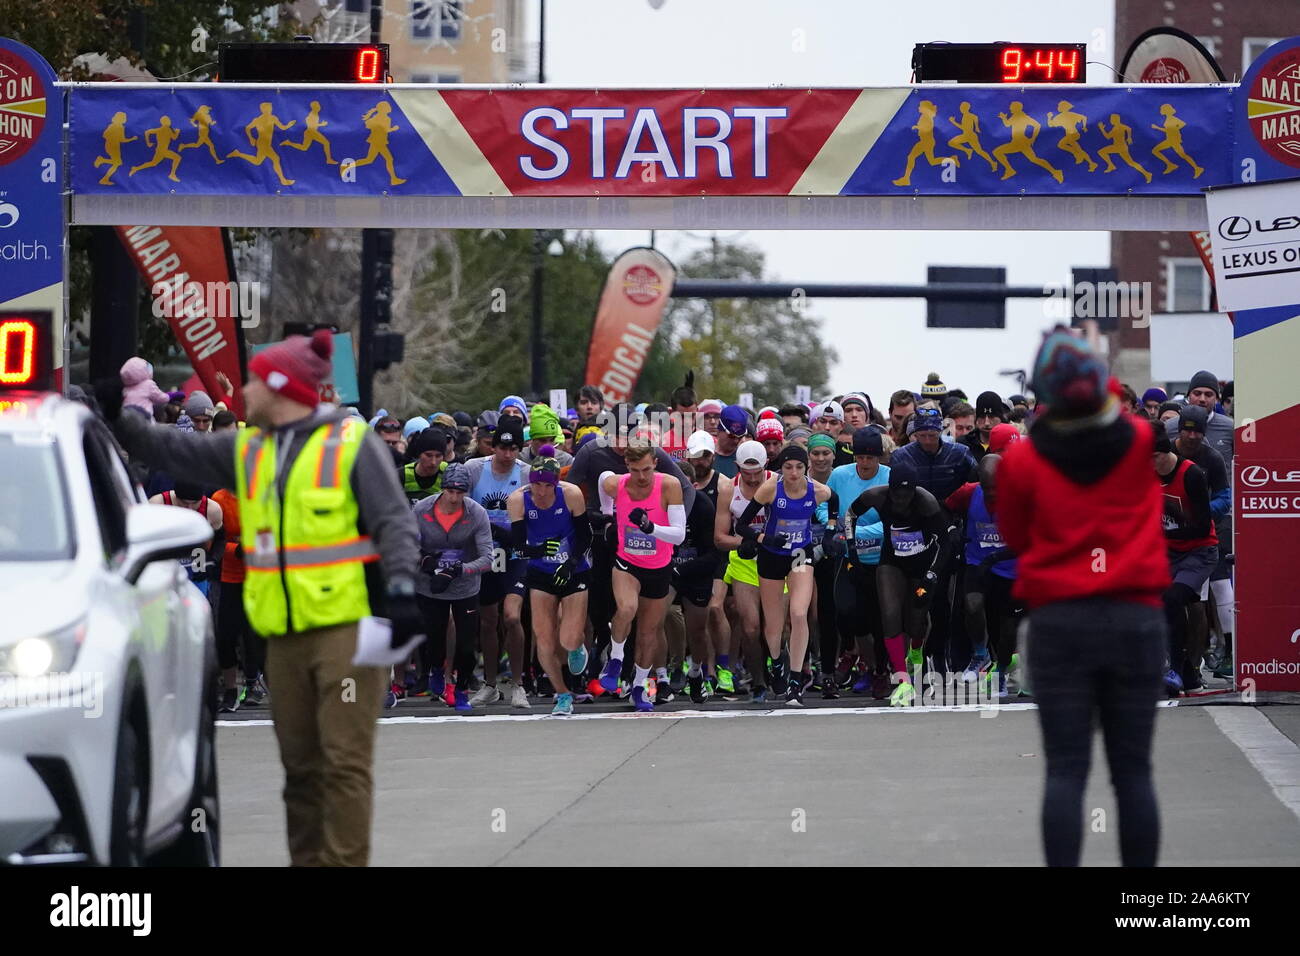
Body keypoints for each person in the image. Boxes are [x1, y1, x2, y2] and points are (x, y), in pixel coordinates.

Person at [98, 330, 424, 867]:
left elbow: (394, 522)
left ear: (281, 387)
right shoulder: (249, 449)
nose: (243, 391)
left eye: (253, 381)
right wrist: (123, 414)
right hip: (281, 640)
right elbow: (170, 448)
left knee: (343, 765)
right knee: (300, 771)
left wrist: (403, 589)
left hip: (344, 632)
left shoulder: (351, 443)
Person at [998, 326, 1169, 867]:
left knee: (1066, 769)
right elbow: (1111, 401)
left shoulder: (1023, 460)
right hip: (1135, 617)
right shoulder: (1137, 440)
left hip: (1060, 620)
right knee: (1133, 771)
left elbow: (1016, 536)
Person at [734, 444, 837, 705]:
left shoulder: (817, 490)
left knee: (799, 613)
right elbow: (742, 525)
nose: (793, 473)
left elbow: (834, 501)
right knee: (774, 626)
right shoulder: (771, 488)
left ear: (806, 468)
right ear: (781, 469)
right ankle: (777, 660)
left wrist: (830, 531)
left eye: (799, 468)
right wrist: (764, 538)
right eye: (788, 467)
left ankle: (795, 680)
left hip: (800, 553)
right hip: (772, 555)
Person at [843, 461, 951, 706]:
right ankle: (903, 680)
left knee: (916, 621)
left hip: (921, 565)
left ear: (914, 491)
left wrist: (932, 575)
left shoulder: (926, 502)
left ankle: (917, 653)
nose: (901, 500)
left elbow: (944, 544)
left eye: (906, 494)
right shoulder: (875, 496)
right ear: (889, 489)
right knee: (890, 615)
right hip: (892, 562)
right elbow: (850, 515)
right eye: (897, 494)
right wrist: (852, 552)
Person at [600, 443, 687, 712]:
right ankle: (615, 659)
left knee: (649, 633)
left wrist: (651, 528)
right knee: (627, 608)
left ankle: (639, 687)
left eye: (647, 469)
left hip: (659, 567)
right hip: (627, 563)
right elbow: (603, 478)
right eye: (635, 470)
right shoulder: (618, 484)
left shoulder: (669, 485)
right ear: (627, 466)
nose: (641, 476)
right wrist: (607, 515)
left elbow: (679, 534)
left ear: (655, 464)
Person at [508, 449, 593, 716]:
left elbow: (585, 536)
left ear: (556, 484)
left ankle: (577, 645)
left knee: (568, 638)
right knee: (544, 639)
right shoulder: (518, 500)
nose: (542, 491)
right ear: (530, 482)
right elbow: (518, 547)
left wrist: (570, 563)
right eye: (537, 485)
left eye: (548, 486)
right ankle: (562, 694)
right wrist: (540, 550)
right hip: (540, 571)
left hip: (573, 569)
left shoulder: (571, 494)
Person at [408, 464, 493, 711]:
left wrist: (459, 570)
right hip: (430, 585)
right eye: (450, 492)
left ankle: (462, 688)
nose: (455, 498)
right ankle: (436, 668)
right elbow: (407, 543)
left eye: (460, 493)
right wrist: (425, 561)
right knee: (433, 638)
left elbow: (487, 558)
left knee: (466, 645)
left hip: (464, 586)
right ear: (442, 489)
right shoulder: (422, 509)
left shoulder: (476, 513)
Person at [463, 416, 531, 708]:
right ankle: (490, 684)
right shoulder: (474, 469)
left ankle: (518, 684)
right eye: (502, 448)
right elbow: (462, 509)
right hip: (485, 554)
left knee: (512, 617)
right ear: (493, 446)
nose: (507, 454)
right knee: (488, 620)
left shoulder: (526, 473)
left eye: (513, 448)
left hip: (514, 554)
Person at [946, 454, 1021, 696]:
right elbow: (944, 509)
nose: (991, 494)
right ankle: (980, 653)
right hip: (977, 562)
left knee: (1008, 627)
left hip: (1010, 567)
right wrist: (952, 528)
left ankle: (1001, 671)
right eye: (987, 488)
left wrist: (995, 557)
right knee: (972, 604)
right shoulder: (968, 492)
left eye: (996, 488)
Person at [1153, 421, 1218, 696]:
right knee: (1160, 603)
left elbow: (1202, 527)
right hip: (1169, 551)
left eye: (1152, 458)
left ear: (1163, 453)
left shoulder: (1191, 475)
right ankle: (1188, 675)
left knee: (1174, 599)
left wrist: (1164, 533)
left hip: (1199, 551)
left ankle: (1177, 670)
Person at [826, 428, 890, 699]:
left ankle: (880, 671)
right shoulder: (840, 475)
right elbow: (825, 505)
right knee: (847, 612)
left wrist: (853, 532)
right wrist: (831, 526)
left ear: (879, 457)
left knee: (880, 620)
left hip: (882, 560)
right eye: (861, 457)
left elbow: (893, 521)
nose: (865, 463)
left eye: (870, 458)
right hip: (849, 557)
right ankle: (861, 658)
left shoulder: (888, 477)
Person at [713, 441, 772, 700]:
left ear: (765, 466)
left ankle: (777, 668)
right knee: (750, 627)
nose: (752, 479)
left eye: (757, 473)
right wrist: (744, 542)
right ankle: (758, 682)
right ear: (737, 467)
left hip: (775, 558)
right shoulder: (729, 488)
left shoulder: (777, 482)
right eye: (746, 473)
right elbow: (719, 537)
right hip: (744, 559)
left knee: (778, 627)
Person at [400, 427, 449, 504]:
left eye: (438, 456)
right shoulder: (402, 475)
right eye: (428, 455)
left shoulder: (448, 473)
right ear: (419, 454)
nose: (433, 462)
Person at [962, 391, 1006, 462]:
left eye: (991, 417)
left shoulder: (1009, 445)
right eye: (982, 417)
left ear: (1001, 418)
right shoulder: (963, 444)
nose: (986, 423)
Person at [711, 404, 750, 477]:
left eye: (740, 437)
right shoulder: (706, 455)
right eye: (731, 436)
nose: (736, 441)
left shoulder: (744, 458)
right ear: (719, 429)